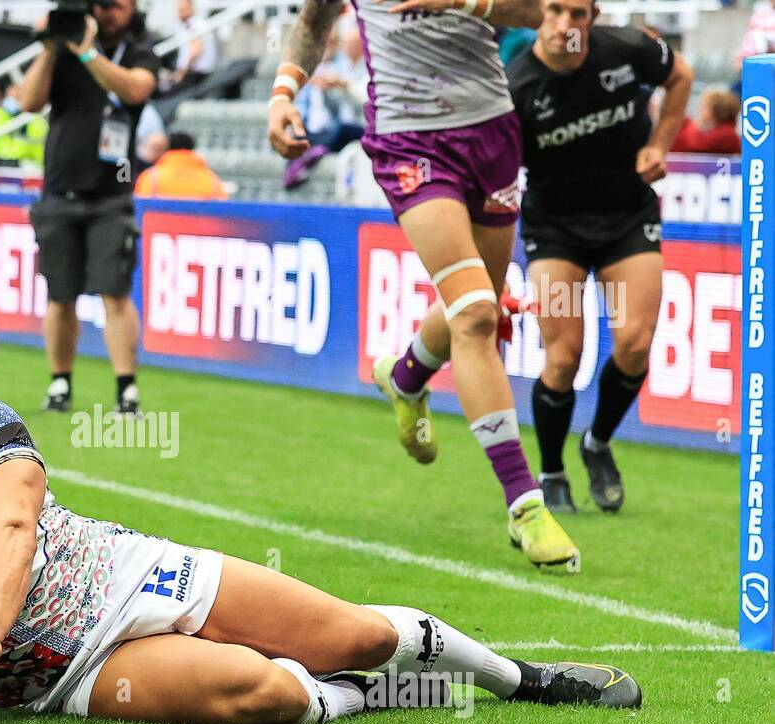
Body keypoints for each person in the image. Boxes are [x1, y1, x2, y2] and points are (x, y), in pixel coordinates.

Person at [0, 288, 642, 724]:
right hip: (46, 677)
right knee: (266, 694)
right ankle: (391, 694)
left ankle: (523, 679)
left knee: (353, 634)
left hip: (122, 575)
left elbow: (9, 525)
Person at [269, 0, 580, 573]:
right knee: (478, 317)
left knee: (475, 304)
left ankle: (407, 375)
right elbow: (314, 21)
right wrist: (283, 93)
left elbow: (540, 14)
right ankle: (524, 504)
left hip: (491, 136)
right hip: (411, 142)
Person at [508, 0, 692, 513]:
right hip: (556, 229)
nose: (566, 25)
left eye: (578, 14)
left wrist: (660, 144)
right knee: (563, 356)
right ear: (537, 14)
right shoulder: (515, 86)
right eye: (555, 11)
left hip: (627, 217)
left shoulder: (628, 47)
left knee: (635, 341)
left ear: (594, 17)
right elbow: (496, 174)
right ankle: (550, 473)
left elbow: (681, 76)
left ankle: (598, 443)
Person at [19, 0, 161, 415]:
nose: (108, 12)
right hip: (59, 192)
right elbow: (28, 101)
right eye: (100, 5)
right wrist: (49, 47)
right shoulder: (62, 53)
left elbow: (135, 89)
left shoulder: (138, 50)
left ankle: (126, 388)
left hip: (110, 196)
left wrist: (87, 52)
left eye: (116, 5)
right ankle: (60, 383)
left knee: (114, 292)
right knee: (60, 295)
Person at [283, 24, 368, 189]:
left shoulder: (349, 68)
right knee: (298, 132)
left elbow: (356, 107)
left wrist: (339, 86)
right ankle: (294, 169)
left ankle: (316, 151)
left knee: (339, 128)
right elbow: (303, 104)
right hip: (321, 127)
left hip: (349, 127)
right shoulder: (313, 69)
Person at [134, 131, 227, 199]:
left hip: (159, 226)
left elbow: (138, 211)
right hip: (199, 226)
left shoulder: (151, 177)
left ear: (167, 148)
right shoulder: (213, 180)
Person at [671, 88, 740, 156]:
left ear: (713, 111)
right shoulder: (721, 130)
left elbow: (695, 146)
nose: (699, 109)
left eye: (704, 106)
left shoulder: (727, 134)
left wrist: (688, 123)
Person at [169, 0, 219, 93]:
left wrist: (181, 74)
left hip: (196, 76)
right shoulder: (193, 24)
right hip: (194, 74)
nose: (179, 12)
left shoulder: (194, 25)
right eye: (179, 9)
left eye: (182, 9)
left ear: (191, 7)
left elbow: (195, 50)